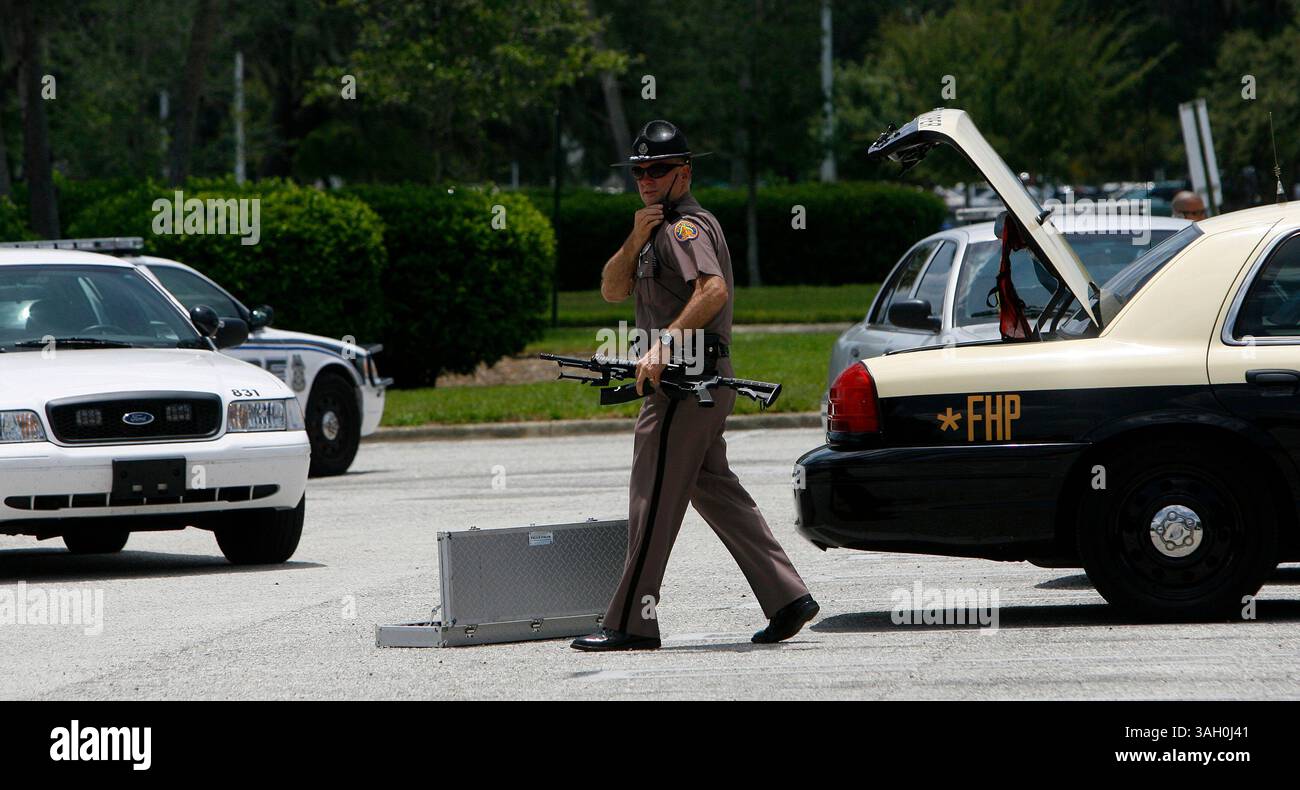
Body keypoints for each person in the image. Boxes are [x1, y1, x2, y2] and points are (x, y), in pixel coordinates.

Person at [570, 120, 818, 652]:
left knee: (652, 498)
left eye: (658, 169)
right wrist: (635, 235)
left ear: (684, 172)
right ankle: (787, 597)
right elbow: (612, 290)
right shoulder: (655, 230)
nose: (647, 179)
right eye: (639, 171)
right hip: (695, 382)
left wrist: (663, 345)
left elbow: (713, 291)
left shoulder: (686, 229)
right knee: (715, 489)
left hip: (686, 382)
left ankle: (633, 622)